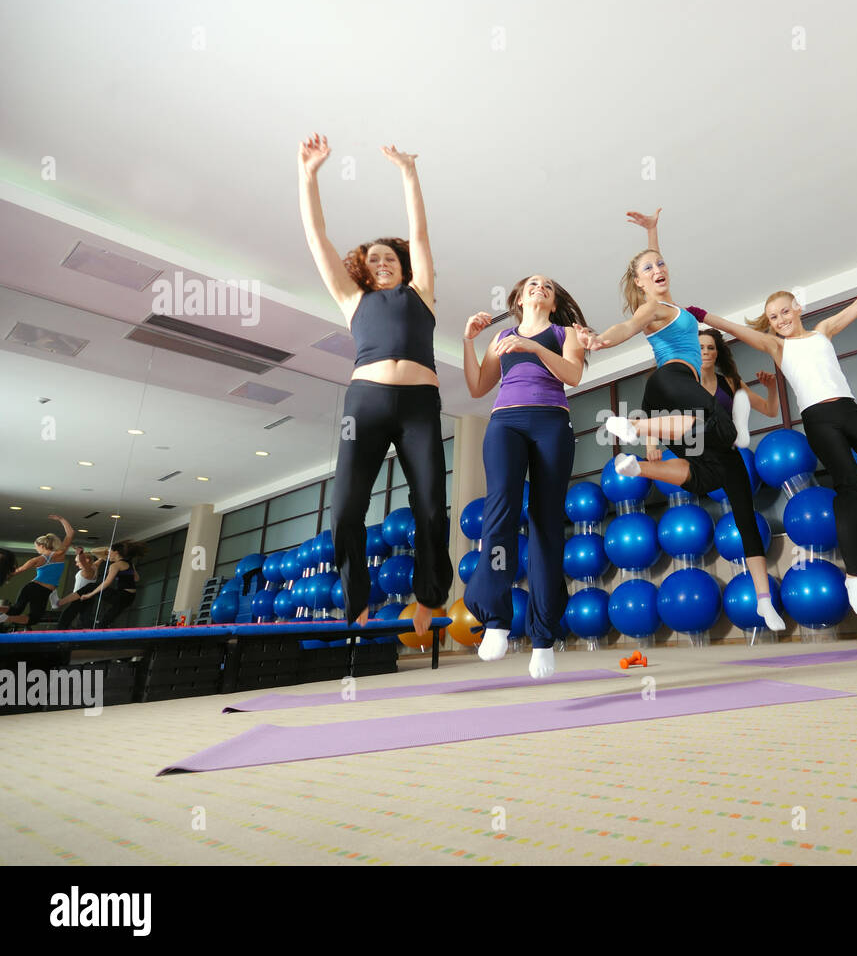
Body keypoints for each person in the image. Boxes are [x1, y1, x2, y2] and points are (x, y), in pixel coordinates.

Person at [578, 210, 784, 632]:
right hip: (670, 382)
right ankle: (635, 427)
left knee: (720, 483)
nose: (658, 270)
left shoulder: (669, 301)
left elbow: (656, 262)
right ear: (638, 282)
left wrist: (652, 233)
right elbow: (628, 325)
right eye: (648, 268)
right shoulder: (652, 306)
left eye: (661, 264)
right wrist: (601, 340)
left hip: (675, 407)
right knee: (711, 418)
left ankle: (765, 601)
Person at [693, 281, 857, 619]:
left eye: (784, 312)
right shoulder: (778, 348)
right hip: (819, 419)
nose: (780, 320)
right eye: (773, 317)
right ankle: (856, 577)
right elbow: (734, 328)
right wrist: (703, 315)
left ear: (797, 308)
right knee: (854, 488)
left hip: (849, 410)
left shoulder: (823, 331)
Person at [298, 133, 452, 638]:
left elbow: (421, 231)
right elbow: (317, 236)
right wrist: (309, 175)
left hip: (418, 406)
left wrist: (409, 172)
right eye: (373, 259)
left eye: (390, 257)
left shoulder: (422, 293)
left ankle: (429, 596)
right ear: (362, 269)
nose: (382, 262)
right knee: (346, 507)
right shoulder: (351, 299)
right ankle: (356, 600)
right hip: (363, 405)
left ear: (404, 266)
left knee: (430, 503)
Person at [462, 275, 589, 678]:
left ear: (553, 303)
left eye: (547, 286)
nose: (540, 287)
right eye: (532, 284)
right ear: (518, 298)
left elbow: (573, 375)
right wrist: (468, 340)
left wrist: (533, 346)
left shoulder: (564, 332)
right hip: (505, 424)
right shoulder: (501, 337)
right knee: (500, 513)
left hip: (552, 423)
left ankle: (542, 635)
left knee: (546, 524)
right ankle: (496, 619)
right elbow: (479, 386)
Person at [698, 327, 778, 447]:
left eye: (711, 348)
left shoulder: (731, 383)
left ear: (717, 353)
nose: (706, 352)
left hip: (728, 453)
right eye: (700, 347)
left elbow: (770, 411)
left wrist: (772, 388)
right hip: (698, 455)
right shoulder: (684, 385)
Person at [0, 514, 74, 627]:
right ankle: (5, 618)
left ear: (42, 546)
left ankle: (5, 618)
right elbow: (70, 534)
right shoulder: (60, 554)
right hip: (39, 589)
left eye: (36, 546)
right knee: (30, 616)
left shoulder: (36, 560)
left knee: (18, 611)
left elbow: (16, 571)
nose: (36, 549)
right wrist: (62, 519)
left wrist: (7, 576)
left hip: (35, 588)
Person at [76, 540, 145, 628]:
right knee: (105, 621)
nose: (108, 554)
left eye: (110, 552)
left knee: (91, 586)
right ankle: (92, 629)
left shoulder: (115, 565)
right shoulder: (129, 563)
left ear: (116, 552)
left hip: (121, 596)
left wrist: (90, 594)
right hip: (130, 597)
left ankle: (83, 621)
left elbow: (107, 583)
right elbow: (136, 579)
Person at [55, 546, 105, 630]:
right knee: (84, 620)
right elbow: (101, 558)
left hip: (79, 598)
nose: (76, 564)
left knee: (65, 619)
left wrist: (81, 553)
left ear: (87, 560)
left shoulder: (88, 570)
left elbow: (83, 561)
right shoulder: (94, 567)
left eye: (77, 562)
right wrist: (105, 553)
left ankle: (57, 638)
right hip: (87, 598)